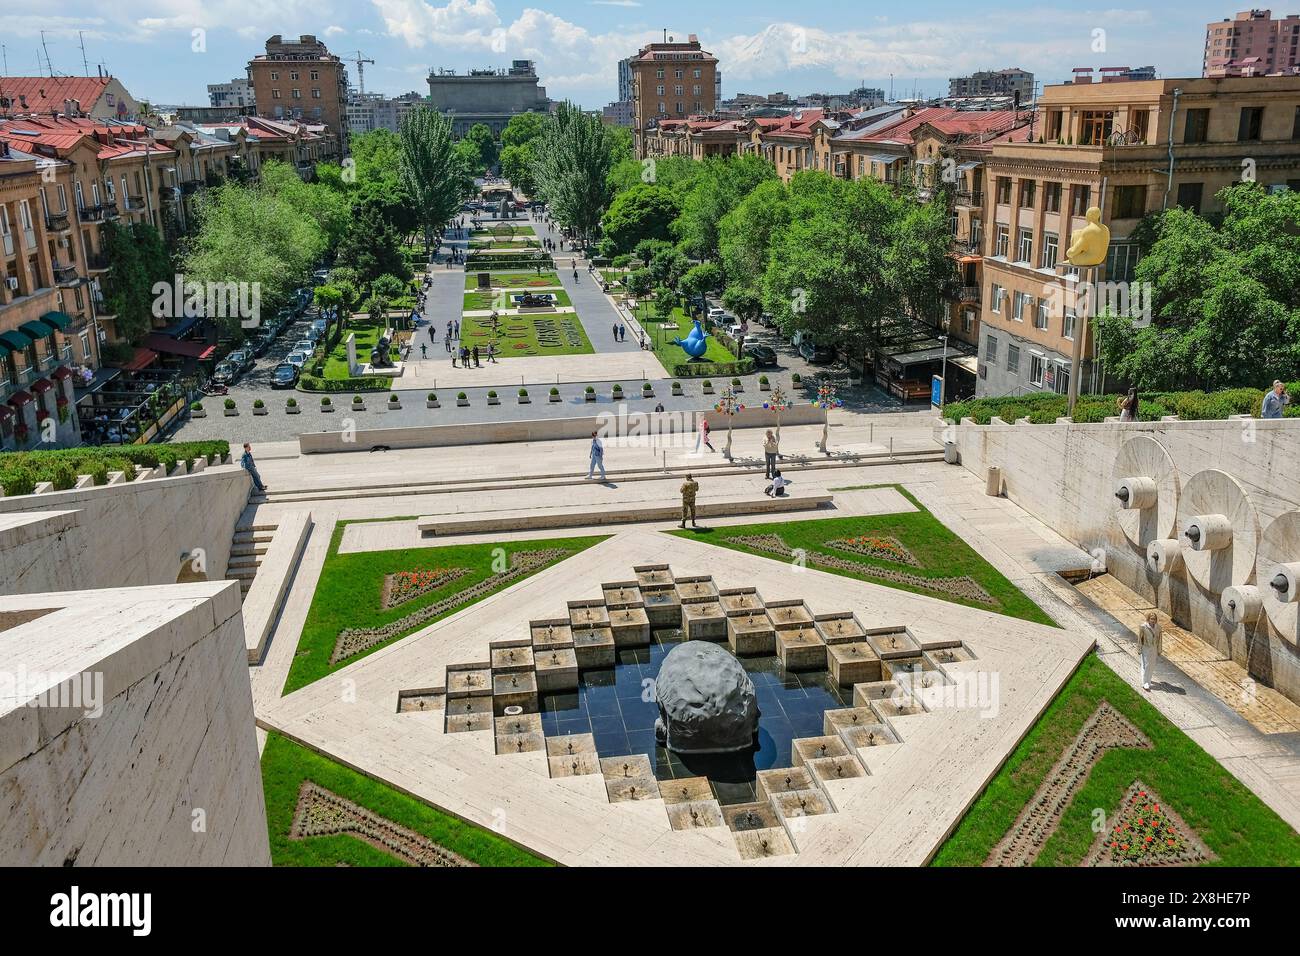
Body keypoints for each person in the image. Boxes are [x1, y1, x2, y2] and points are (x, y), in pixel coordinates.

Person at [1137, 611, 1162, 691]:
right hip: (1146, 647)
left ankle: (1149, 679)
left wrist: (1159, 649)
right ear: (1148, 619)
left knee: (1152, 664)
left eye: (1154, 619)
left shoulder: (1158, 627)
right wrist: (1139, 648)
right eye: (1151, 619)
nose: (1153, 620)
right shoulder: (1143, 627)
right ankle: (1145, 682)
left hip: (1154, 647)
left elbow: (1160, 639)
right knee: (1146, 664)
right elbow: (1140, 639)